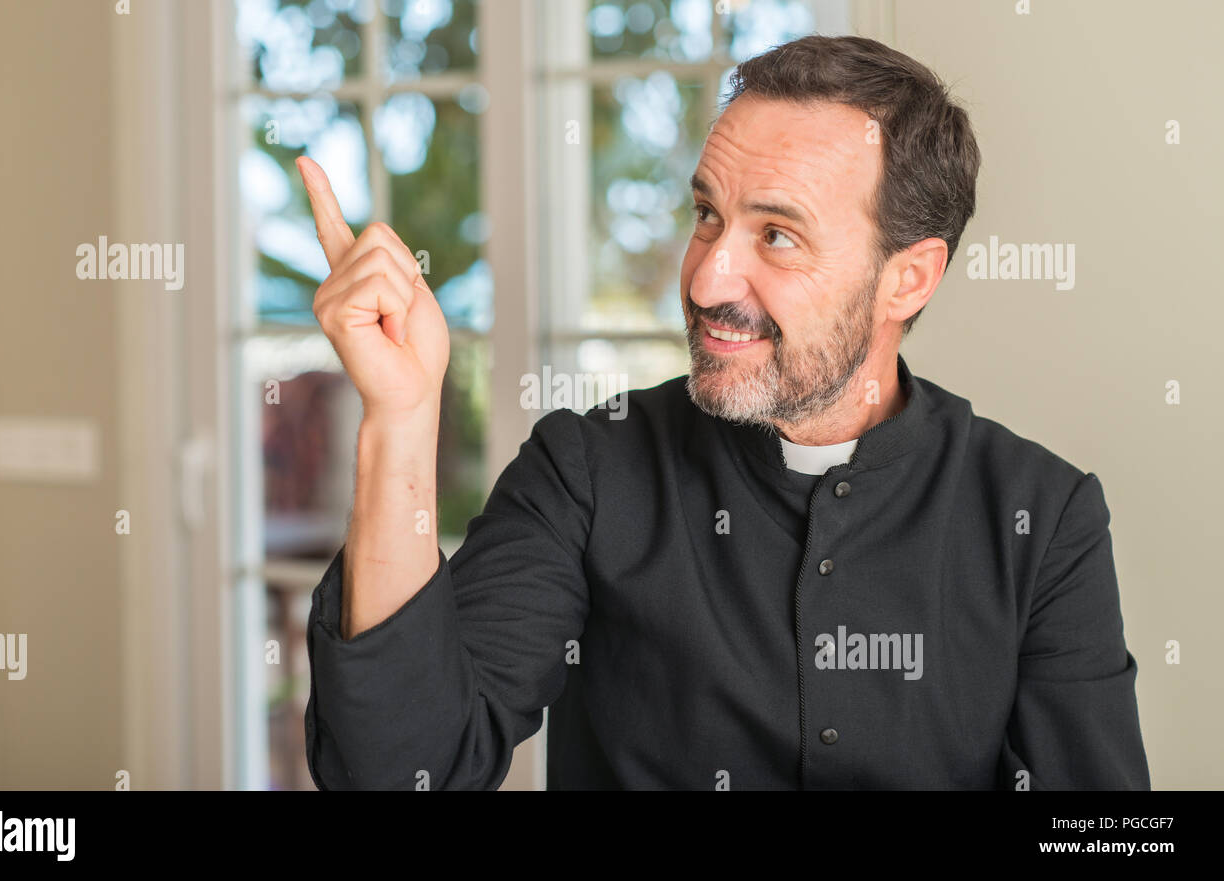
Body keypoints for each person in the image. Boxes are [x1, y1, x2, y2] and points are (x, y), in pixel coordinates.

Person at [297, 35, 1150, 790]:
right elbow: (401, 768)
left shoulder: (1043, 518)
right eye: (708, 214)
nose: (705, 279)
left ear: (909, 277)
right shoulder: (588, 469)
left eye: (777, 235)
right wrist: (401, 415)